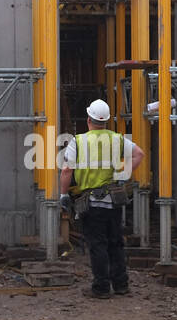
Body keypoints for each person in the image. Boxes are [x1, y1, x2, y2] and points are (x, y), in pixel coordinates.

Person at [59, 98, 144, 299]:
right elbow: (139, 154)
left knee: (97, 245)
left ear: (88, 119)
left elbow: (66, 170)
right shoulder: (117, 139)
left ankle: (101, 287)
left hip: (91, 204)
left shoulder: (78, 141)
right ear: (106, 121)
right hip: (113, 201)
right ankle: (121, 285)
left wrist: (63, 195)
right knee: (115, 242)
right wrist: (123, 175)